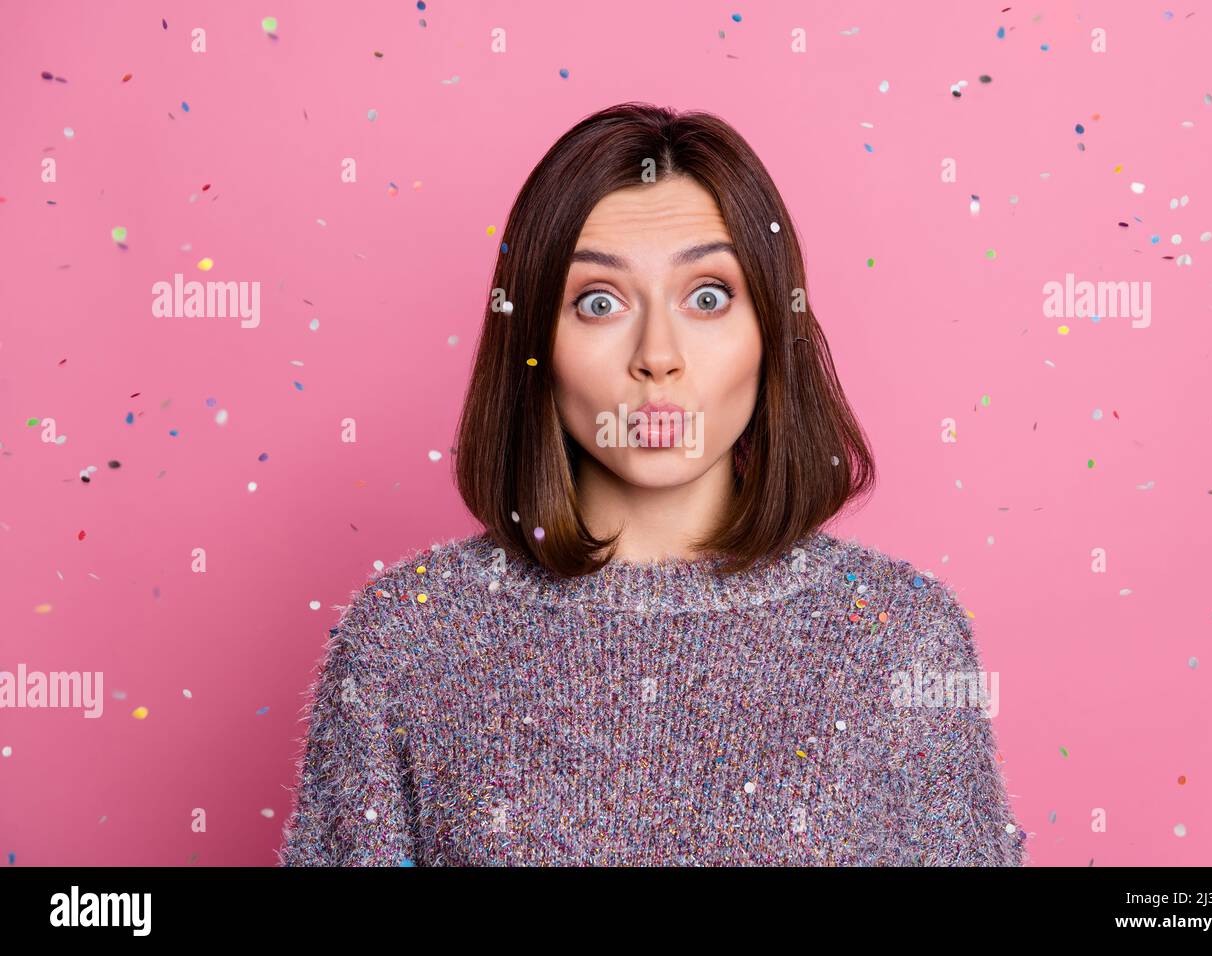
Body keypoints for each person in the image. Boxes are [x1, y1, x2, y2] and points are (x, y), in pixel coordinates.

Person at [277, 102, 1026, 866]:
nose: (657, 355)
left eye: (707, 296)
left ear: (772, 331)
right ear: (535, 342)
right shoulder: (407, 645)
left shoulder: (902, 641)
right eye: (598, 302)